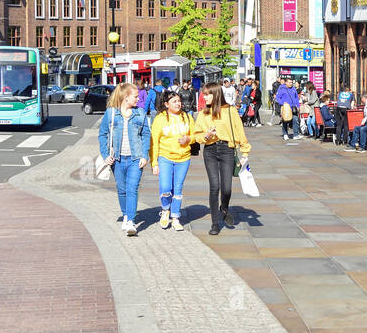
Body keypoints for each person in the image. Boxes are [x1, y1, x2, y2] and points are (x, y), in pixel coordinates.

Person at [193, 82, 251, 236]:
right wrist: (206, 135)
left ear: (216, 94)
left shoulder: (230, 111)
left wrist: (245, 152)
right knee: (214, 187)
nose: (204, 97)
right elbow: (197, 136)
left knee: (227, 188)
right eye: (203, 94)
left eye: (207, 94)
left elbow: (239, 131)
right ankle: (215, 223)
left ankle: (224, 208)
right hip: (210, 151)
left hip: (227, 150)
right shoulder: (203, 113)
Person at [97, 83, 151, 236]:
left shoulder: (140, 113)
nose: (138, 98)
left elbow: (146, 135)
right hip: (117, 159)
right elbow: (102, 134)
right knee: (121, 190)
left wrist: (144, 155)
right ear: (126, 97)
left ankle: (130, 221)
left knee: (132, 188)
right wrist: (106, 154)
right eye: (135, 96)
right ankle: (126, 214)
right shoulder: (111, 113)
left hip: (135, 158)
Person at [149, 90, 196, 231]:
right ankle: (165, 211)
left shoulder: (187, 117)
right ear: (166, 104)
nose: (178, 104)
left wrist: (188, 139)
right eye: (174, 101)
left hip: (183, 158)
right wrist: (154, 163)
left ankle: (175, 217)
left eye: (179, 101)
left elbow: (195, 136)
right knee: (165, 187)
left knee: (178, 189)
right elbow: (154, 142)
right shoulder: (160, 118)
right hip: (165, 157)